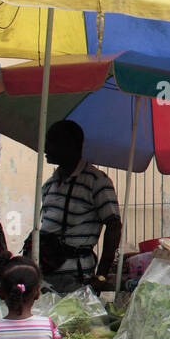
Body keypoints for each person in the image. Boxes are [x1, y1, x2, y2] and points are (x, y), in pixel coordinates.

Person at [33, 120, 121, 294]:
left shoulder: (96, 181)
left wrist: (101, 275)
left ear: (70, 145)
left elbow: (114, 226)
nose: (46, 147)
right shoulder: (50, 184)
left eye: (52, 141)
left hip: (76, 280)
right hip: (45, 278)